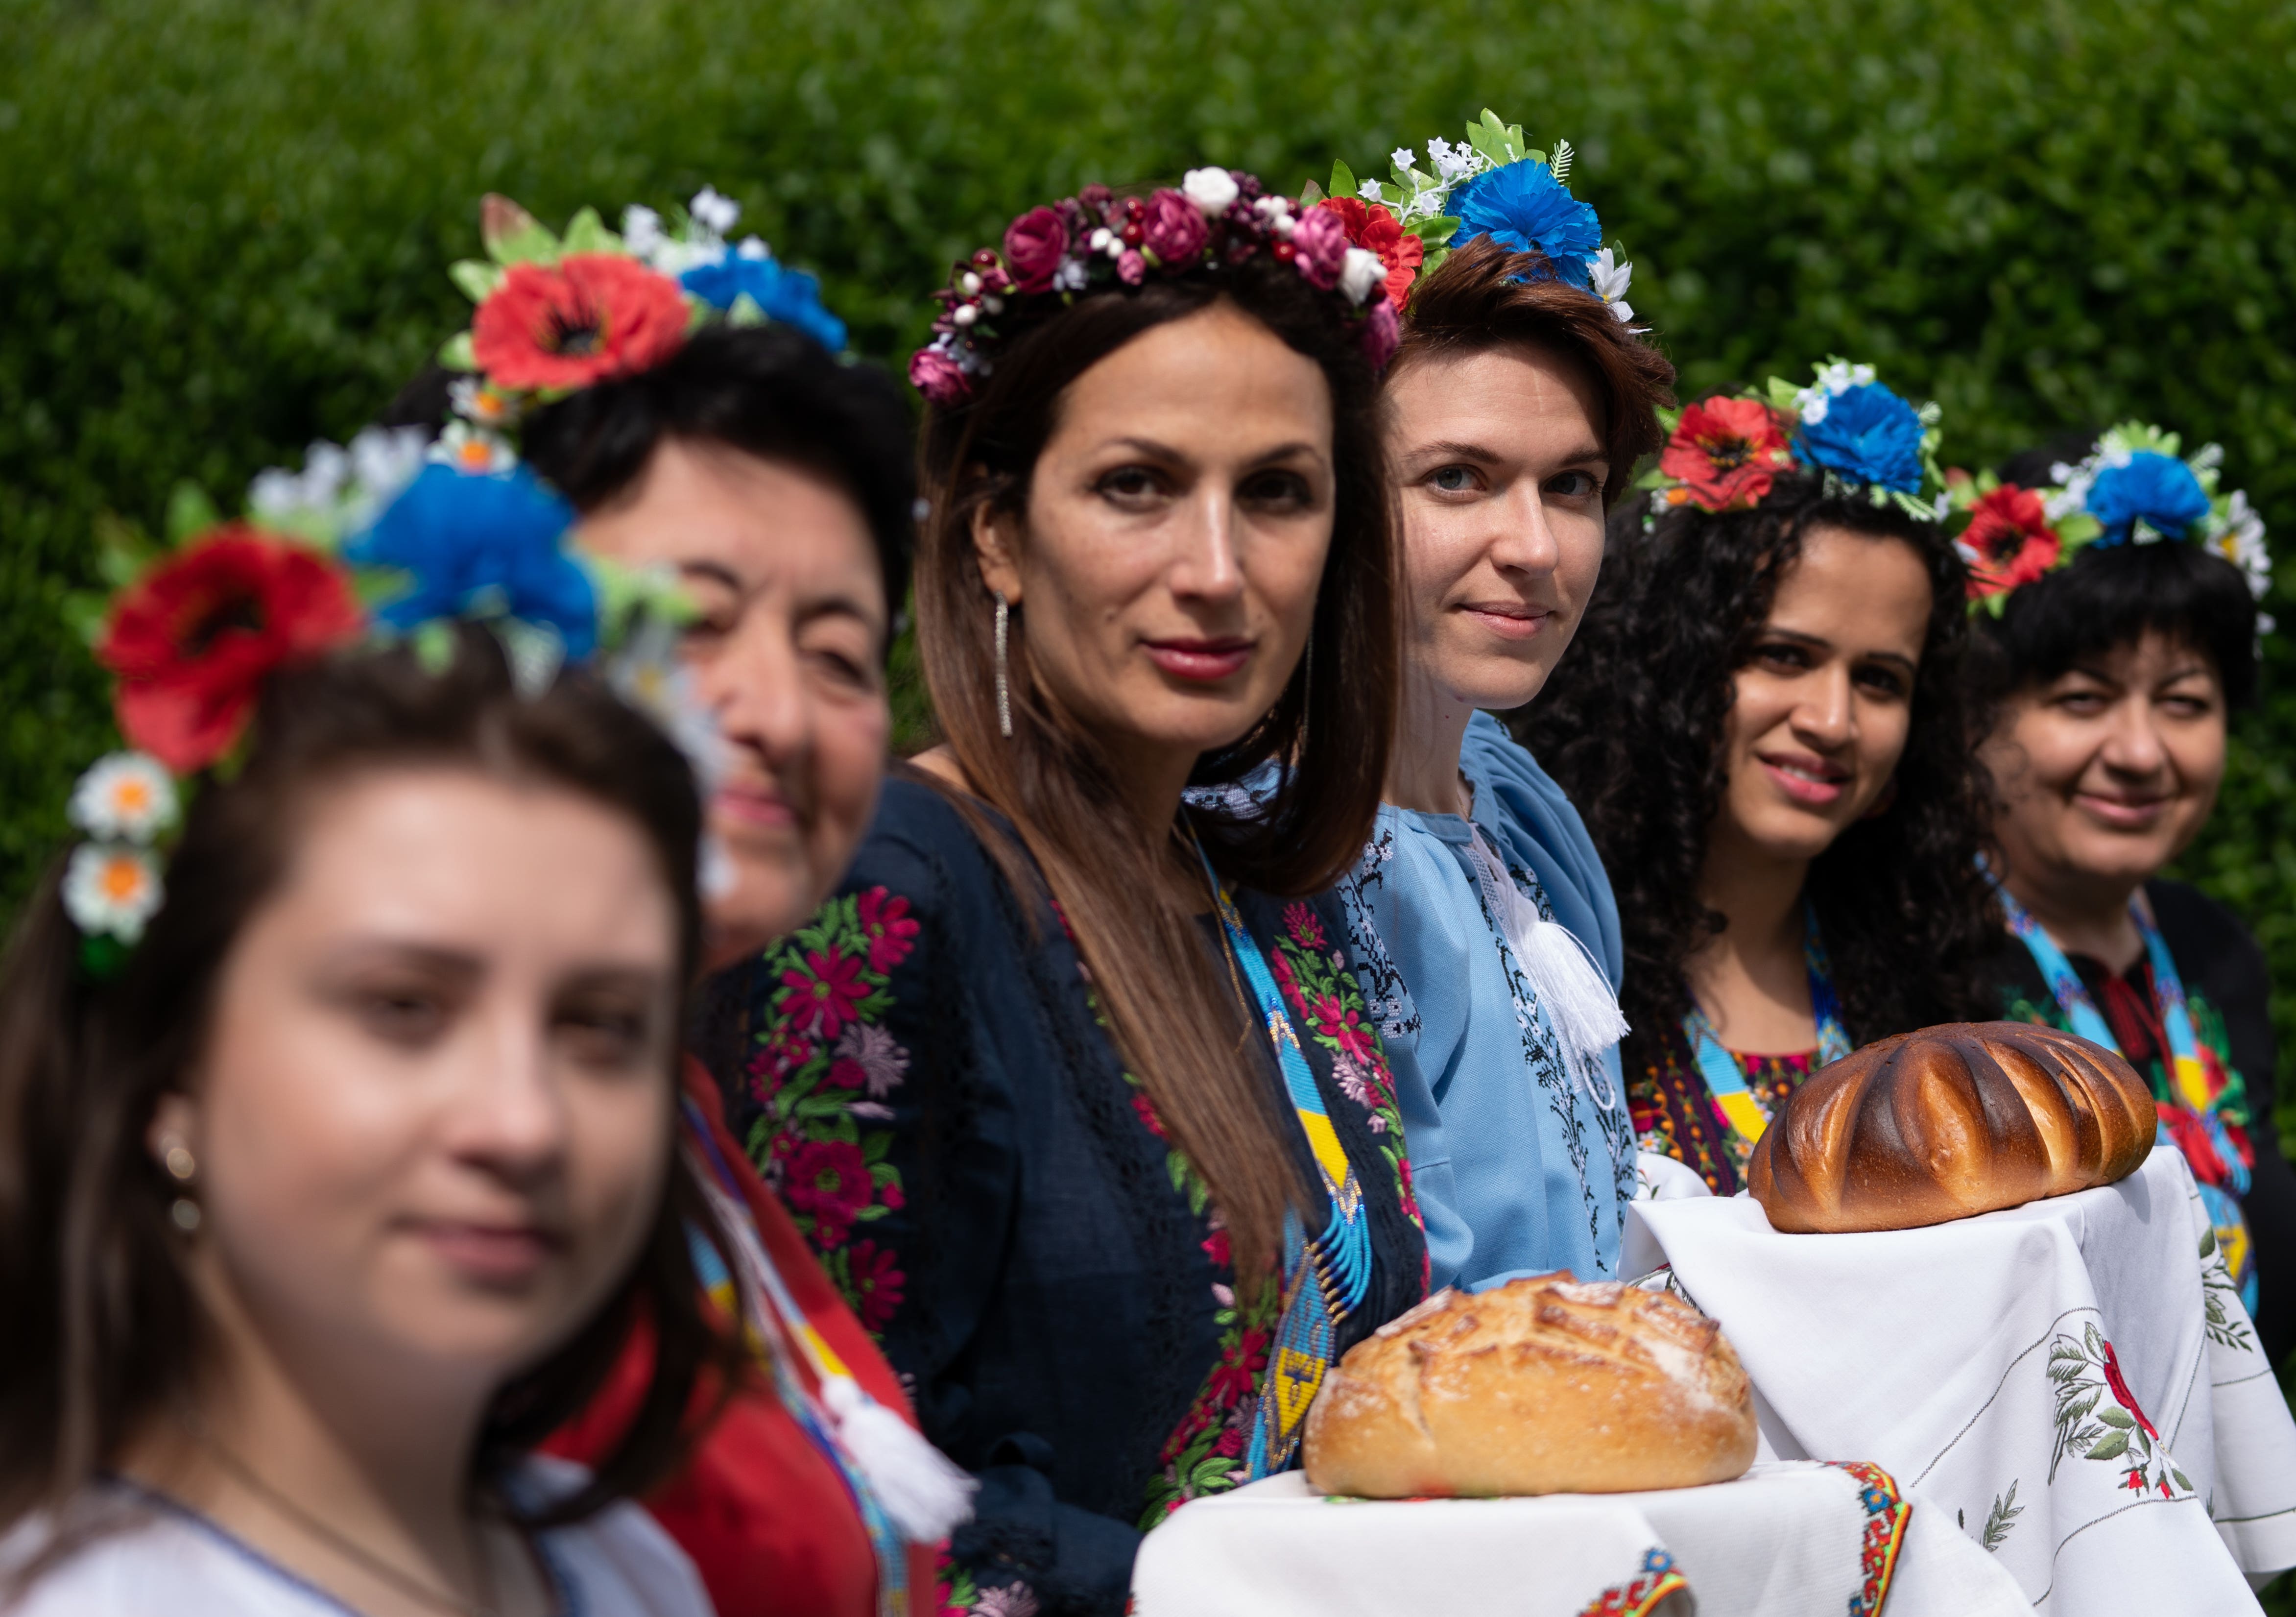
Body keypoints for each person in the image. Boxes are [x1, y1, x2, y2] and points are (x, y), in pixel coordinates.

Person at [739, 169, 1426, 1614]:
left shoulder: (1254, 900)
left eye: (1280, 494)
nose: (1218, 570)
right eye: (1138, 486)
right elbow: (832, 1459)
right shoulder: (886, 891)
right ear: (995, 530)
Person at [383, 188, 959, 1617]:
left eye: (837, 650)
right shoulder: (413, 1161)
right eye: (690, 621)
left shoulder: (668, 1104)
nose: (773, 709)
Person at [0, 509, 724, 1614]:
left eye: (600, 1024)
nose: (522, 1120)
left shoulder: (635, 1572)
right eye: (402, 1006)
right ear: (168, 1062)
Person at [1307, 115, 1680, 1288]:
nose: (1533, 547)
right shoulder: (1291, 843)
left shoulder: (1520, 806)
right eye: (1457, 478)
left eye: (1569, 485)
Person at [1514, 363, 1999, 1194]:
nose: (1833, 720)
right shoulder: (1545, 947)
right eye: (1785, 656)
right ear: (1673, 661)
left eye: (1880, 679)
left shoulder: (1934, 982)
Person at [1960, 424, 2296, 1364]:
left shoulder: (2214, 951)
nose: (2139, 751)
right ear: (1980, 712)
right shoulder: (1919, 948)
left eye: (2185, 701)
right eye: (2082, 698)